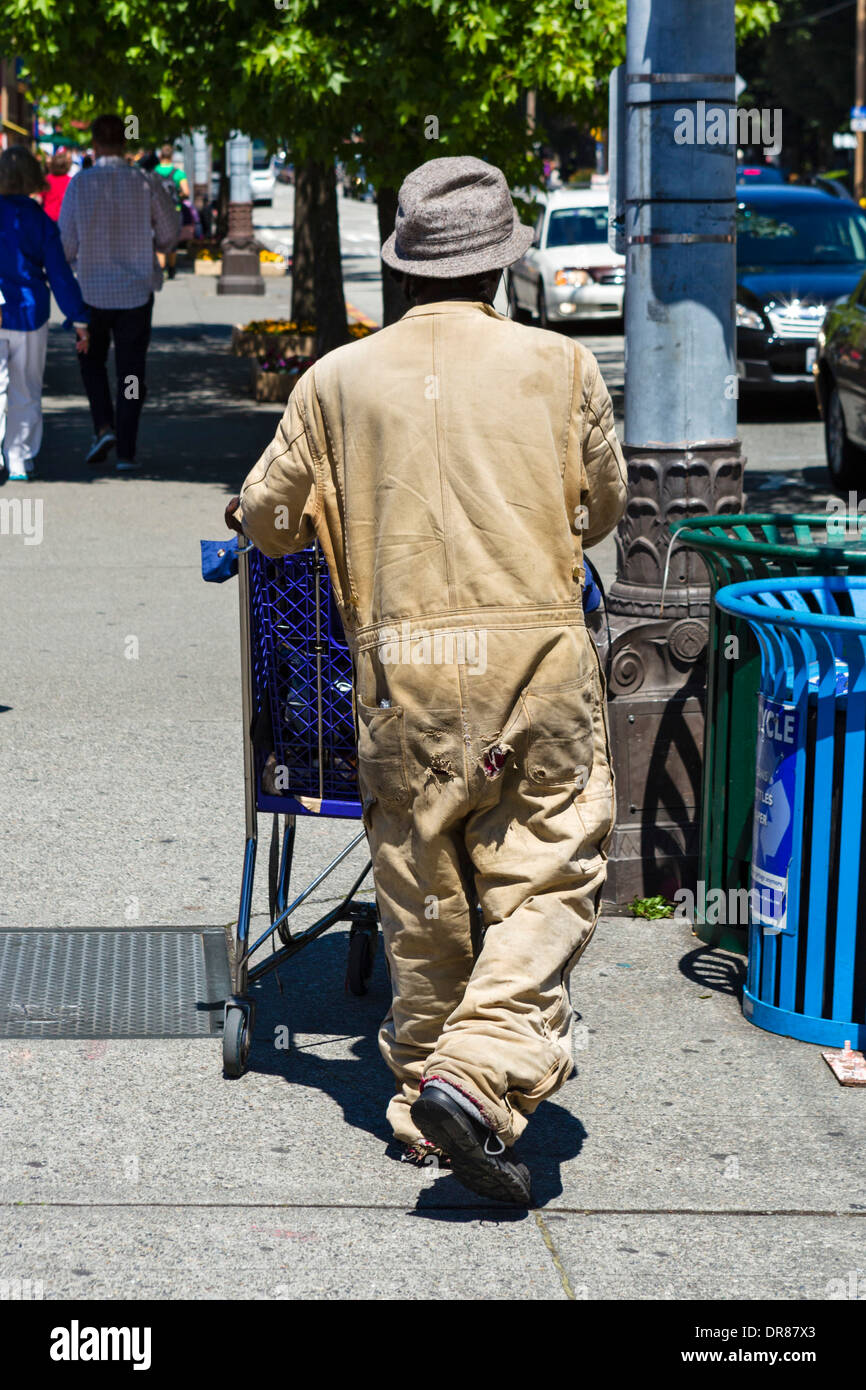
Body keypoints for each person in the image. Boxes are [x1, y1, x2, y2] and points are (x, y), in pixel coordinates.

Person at [227, 156, 627, 1205]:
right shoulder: (560, 365)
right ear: (499, 265)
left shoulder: (335, 381)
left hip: (401, 675)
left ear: (404, 268)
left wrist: (259, 514)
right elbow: (601, 509)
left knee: (423, 891)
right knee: (546, 875)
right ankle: (477, 1071)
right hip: (535, 667)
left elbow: (268, 520)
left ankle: (420, 1104)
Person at [60, 114, 178, 473]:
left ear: (94, 145)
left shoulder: (79, 185)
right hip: (135, 292)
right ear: (125, 144)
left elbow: (66, 245)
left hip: (92, 290)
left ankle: (103, 425)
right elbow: (172, 234)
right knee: (130, 371)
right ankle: (126, 447)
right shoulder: (148, 182)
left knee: (92, 363)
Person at [0, 146, 89, 482]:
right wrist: (79, 318)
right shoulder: (40, 221)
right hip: (27, 311)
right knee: (26, 387)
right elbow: (60, 275)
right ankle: (19, 457)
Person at [152, 143, 190, 280]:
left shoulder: (153, 173)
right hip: (174, 211)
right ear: (172, 156)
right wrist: (179, 196)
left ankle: (161, 269)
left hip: (157, 212)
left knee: (159, 242)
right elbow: (186, 192)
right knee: (173, 241)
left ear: (160, 155)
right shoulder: (178, 173)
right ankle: (172, 269)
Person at [42, 148, 73, 221]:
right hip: (64, 217)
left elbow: (40, 197)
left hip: (48, 216)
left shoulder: (47, 179)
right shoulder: (70, 181)